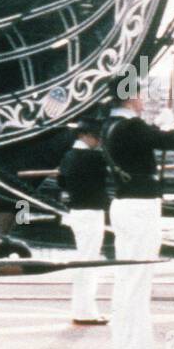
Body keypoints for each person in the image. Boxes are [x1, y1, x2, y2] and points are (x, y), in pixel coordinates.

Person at [100, 76, 174, 349]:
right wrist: (169, 123)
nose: (142, 99)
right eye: (138, 93)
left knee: (126, 282)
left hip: (124, 204)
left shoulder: (109, 126)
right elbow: (173, 142)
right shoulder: (132, 126)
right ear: (129, 97)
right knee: (139, 284)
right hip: (140, 207)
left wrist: (159, 127)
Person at [57, 116, 109, 326]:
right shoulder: (94, 158)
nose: (99, 141)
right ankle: (86, 311)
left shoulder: (69, 156)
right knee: (89, 263)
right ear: (86, 136)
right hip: (91, 213)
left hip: (76, 212)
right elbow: (102, 185)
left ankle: (83, 308)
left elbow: (61, 181)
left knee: (83, 261)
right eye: (97, 137)